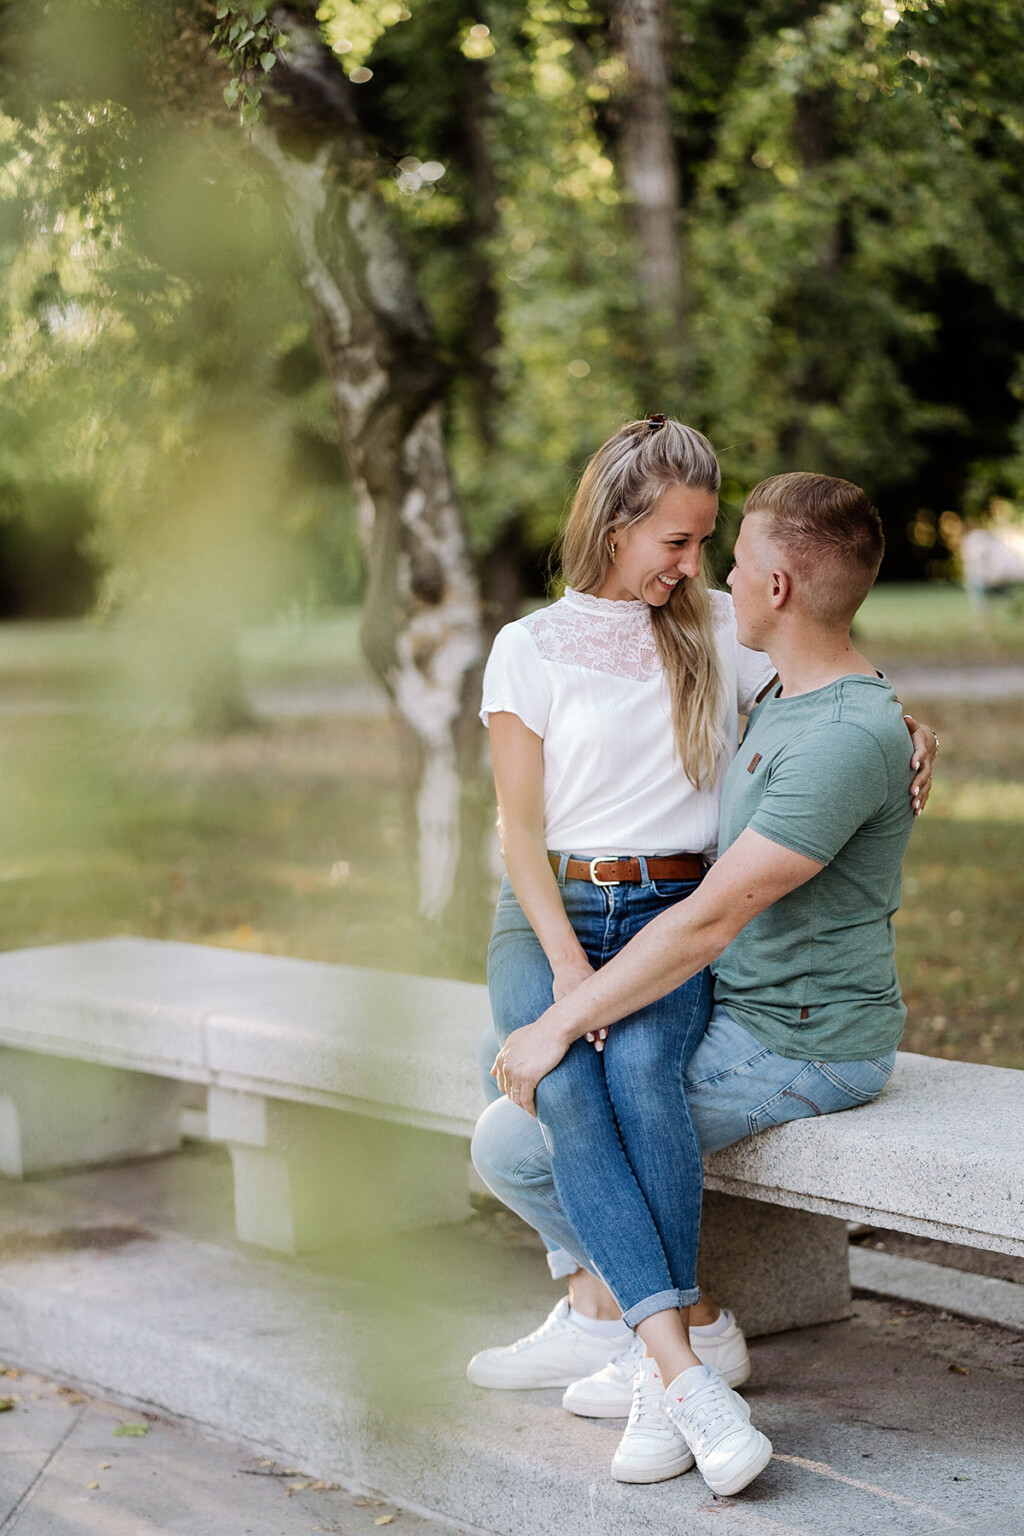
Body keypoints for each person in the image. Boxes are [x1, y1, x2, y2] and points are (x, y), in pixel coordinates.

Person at [470, 431, 934, 1497]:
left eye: (709, 541)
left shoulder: (720, 623)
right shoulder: (526, 646)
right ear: (615, 523)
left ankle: (634, 1336)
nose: (694, 560)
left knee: (633, 1082)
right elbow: (516, 829)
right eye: (677, 539)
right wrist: (564, 980)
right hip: (549, 908)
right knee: (563, 1097)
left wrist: (911, 728)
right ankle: (668, 1352)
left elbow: (838, 686)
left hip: (671, 906)